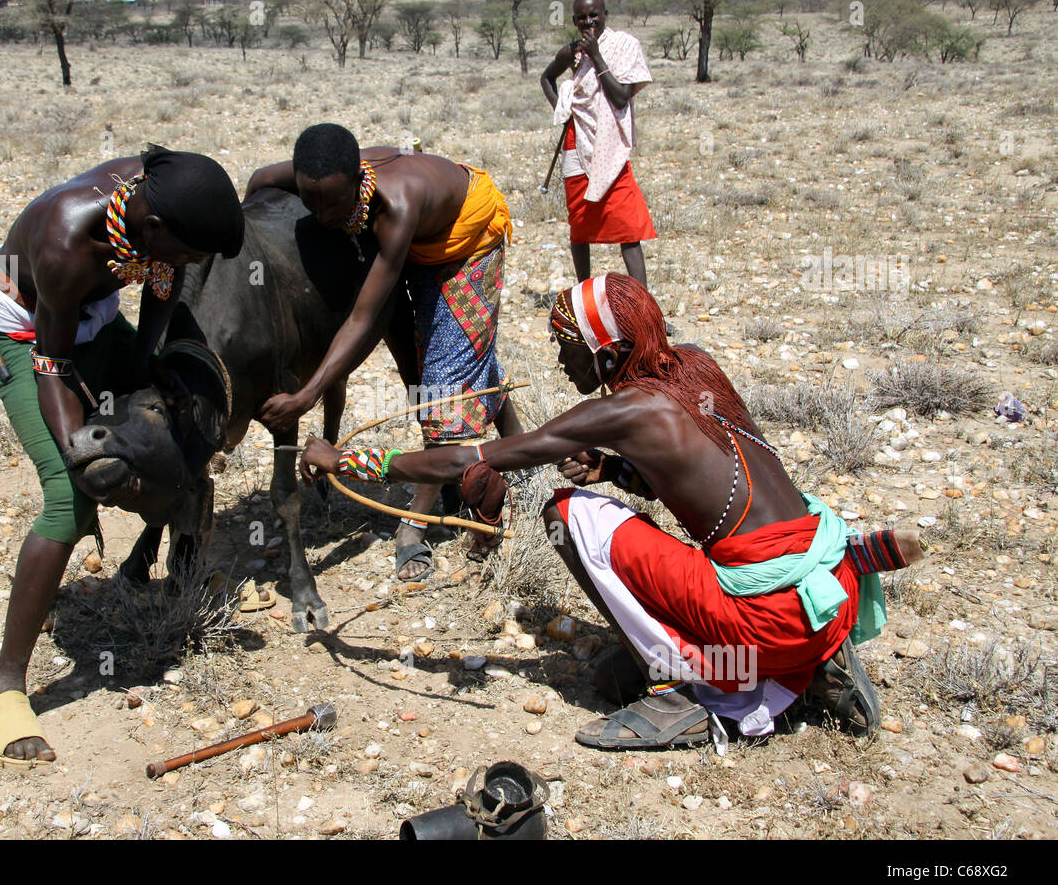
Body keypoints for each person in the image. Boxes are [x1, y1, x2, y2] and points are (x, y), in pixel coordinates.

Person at [299, 274, 917, 750]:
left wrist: (352, 463)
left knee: (567, 514)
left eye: (568, 346)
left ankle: (686, 682)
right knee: (613, 511)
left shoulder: (618, 412)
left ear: (606, 351)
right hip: (827, 587)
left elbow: (467, 458)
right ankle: (816, 662)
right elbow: (700, 474)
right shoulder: (695, 366)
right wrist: (617, 470)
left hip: (766, 621)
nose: (561, 359)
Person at [0, 146, 243, 768]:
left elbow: (163, 284)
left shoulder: (153, 205)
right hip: (23, 329)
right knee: (69, 494)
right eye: (191, 252)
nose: (193, 265)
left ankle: (182, 588)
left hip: (87, 315)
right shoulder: (68, 243)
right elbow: (52, 363)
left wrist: (146, 367)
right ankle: (5, 686)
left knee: (182, 420)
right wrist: (79, 452)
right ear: (156, 231)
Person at [247, 123, 522, 582]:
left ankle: (413, 531)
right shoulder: (322, 179)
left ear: (358, 179)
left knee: (443, 389)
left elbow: (362, 318)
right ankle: (519, 451)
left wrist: (307, 394)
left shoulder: (396, 207)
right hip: (426, 250)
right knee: (461, 355)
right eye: (309, 202)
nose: (321, 216)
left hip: (468, 244)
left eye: (334, 203)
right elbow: (258, 181)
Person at [541, 0, 657, 286]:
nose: (588, 21)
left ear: (605, 13)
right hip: (576, 141)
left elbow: (620, 98)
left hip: (611, 144)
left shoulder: (624, 46)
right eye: (582, 17)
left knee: (628, 223)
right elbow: (546, 77)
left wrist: (596, 55)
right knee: (580, 223)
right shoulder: (572, 52)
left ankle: (643, 305)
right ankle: (583, 295)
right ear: (574, 20)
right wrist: (563, 109)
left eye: (594, 15)